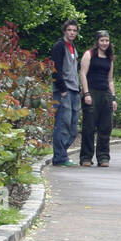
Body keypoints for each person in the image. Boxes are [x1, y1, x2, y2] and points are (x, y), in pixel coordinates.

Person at [79, 30, 117, 166]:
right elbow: (83, 74)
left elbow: (110, 79)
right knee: (89, 126)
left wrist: (113, 98)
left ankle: (103, 157)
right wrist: (86, 93)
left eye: (106, 40)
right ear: (97, 41)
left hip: (105, 93)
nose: (104, 43)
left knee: (105, 127)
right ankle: (86, 157)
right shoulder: (88, 55)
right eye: (102, 40)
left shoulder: (109, 58)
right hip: (91, 92)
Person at [48, 20, 80, 167]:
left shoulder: (73, 47)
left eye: (74, 30)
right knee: (62, 123)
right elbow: (55, 69)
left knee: (73, 127)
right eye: (69, 30)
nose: (72, 33)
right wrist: (62, 89)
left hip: (74, 89)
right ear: (64, 31)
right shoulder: (59, 46)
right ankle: (59, 158)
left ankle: (62, 153)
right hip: (63, 90)